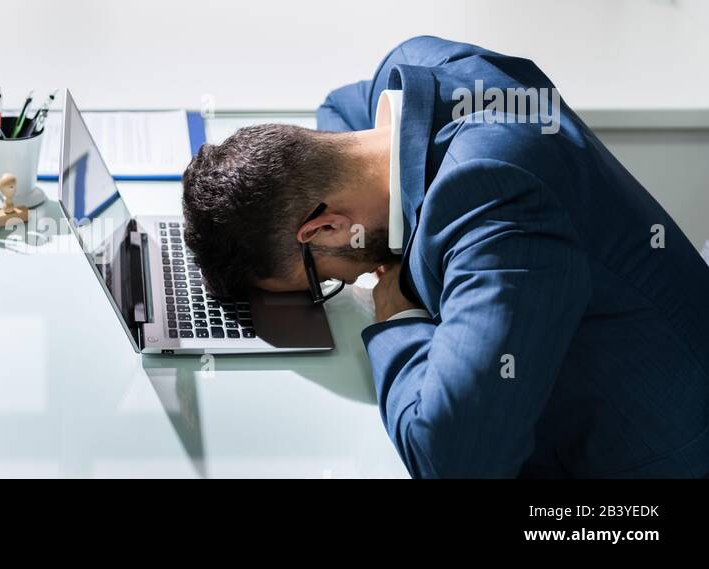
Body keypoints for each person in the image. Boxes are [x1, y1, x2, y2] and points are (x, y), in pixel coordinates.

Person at [181, 36, 709, 478]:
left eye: (319, 280)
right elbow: (338, 111)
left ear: (325, 226)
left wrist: (398, 317)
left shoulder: (494, 200)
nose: (346, 282)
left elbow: (456, 459)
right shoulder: (415, 79)